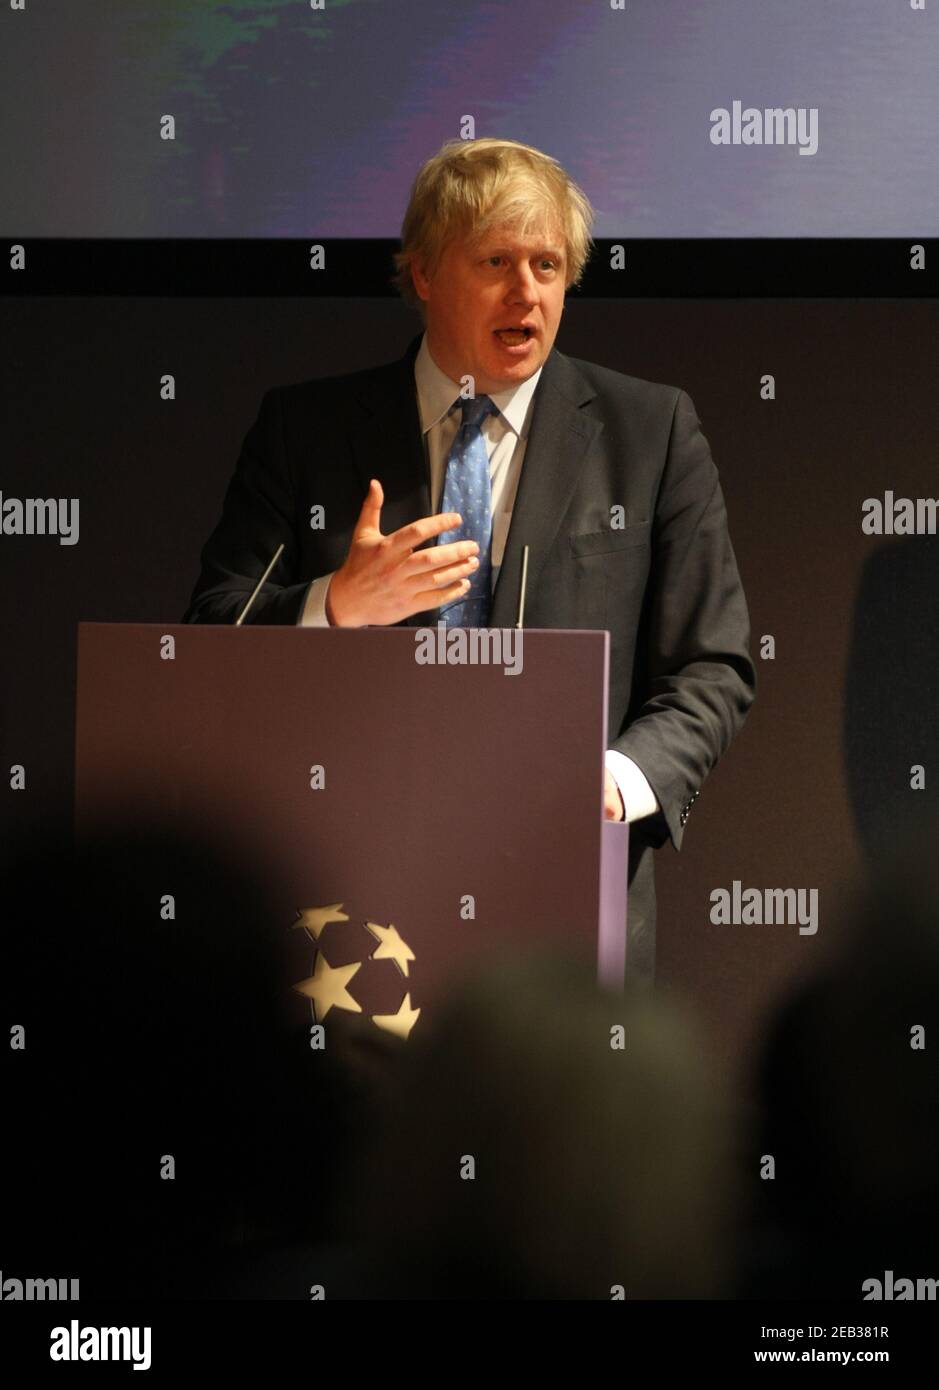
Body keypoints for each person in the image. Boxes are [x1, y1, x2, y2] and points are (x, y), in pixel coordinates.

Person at [184, 137, 756, 983]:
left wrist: (615, 782)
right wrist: (335, 605)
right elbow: (205, 636)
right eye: (495, 262)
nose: (527, 292)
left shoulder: (649, 433)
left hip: (560, 897)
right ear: (422, 274)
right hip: (348, 904)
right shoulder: (305, 432)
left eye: (546, 265)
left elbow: (710, 666)